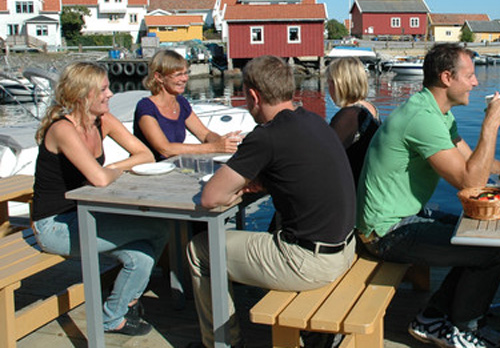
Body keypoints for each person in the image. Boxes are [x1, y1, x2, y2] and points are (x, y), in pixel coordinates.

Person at [357, 43, 500, 348]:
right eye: (470, 76)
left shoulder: (438, 115)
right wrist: (491, 124)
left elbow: (473, 162)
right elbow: (470, 183)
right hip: (385, 232)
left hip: (404, 217)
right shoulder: (422, 118)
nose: (476, 82)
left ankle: (432, 317)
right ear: (447, 78)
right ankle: (464, 328)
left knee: (477, 231)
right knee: (490, 252)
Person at [187, 56, 356, 348]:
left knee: (200, 248)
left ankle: (222, 343)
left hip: (310, 263)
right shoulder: (313, 121)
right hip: (345, 249)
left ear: (254, 96)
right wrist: (266, 182)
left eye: (245, 97)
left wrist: (236, 191)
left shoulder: (267, 136)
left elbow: (211, 197)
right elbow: (298, 171)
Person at [31, 62, 169, 336]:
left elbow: (145, 156)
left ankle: (115, 314)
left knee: (142, 257)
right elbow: (100, 179)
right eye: (104, 89)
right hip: (54, 225)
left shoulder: (102, 120)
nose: (110, 94)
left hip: (86, 214)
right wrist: (105, 173)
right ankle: (125, 305)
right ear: (83, 95)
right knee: (158, 227)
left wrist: (111, 168)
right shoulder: (63, 129)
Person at [134, 49, 241, 161]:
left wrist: (224, 142)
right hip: (151, 167)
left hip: (173, 165)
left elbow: (204, 134)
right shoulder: (146, 107)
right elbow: (165, 149)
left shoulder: (181, 102)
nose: (184, 79)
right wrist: (214, 147)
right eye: (178, 75)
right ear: (159, 77)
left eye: (186, 73)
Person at [326, 57, 381, 182]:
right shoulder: (371, 108)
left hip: (352, 185)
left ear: (340, 84)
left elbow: (326, 157)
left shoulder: (348, 116)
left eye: (330, 82)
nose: (328, 88)